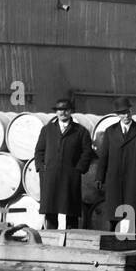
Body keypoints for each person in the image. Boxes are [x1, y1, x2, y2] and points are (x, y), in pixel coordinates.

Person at [95, 96, 136, 233]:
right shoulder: (110, 131)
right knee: (113, 216)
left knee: (135, 216)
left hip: (135, 179)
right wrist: (99, 177)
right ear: (118, 115)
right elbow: (104, 156)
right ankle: (111, 245)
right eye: (122, 113)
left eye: (128, 112)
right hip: (114, 180)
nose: (126, 115)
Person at [33, 98, 94, 230]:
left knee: (71, 210)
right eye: (59, 110)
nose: (62, 113)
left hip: (70, 176)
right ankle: (50, 241)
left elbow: (87, 152)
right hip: (50, 176)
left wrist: (78, 169)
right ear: (56, 112)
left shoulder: (80, 131)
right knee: (51, 211)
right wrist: (41, 168)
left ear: (71, 111)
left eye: (65, 110)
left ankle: (72, 241)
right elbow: (39, 151)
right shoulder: (47, 130)